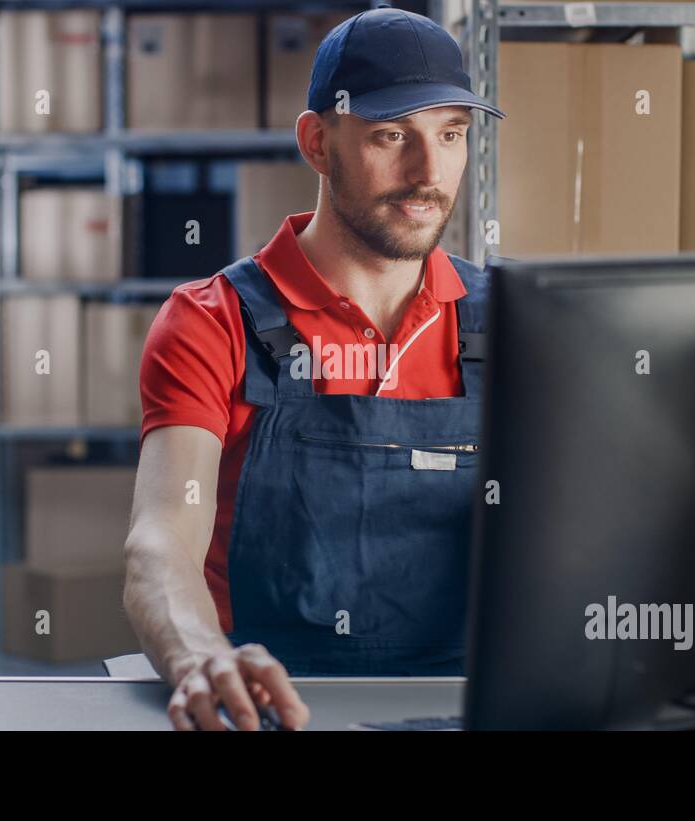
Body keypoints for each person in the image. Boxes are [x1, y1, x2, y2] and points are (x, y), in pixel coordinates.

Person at [122, 6, 506, 731]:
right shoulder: (214, 321)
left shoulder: (514, 324)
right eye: (392, 136)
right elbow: (160, 540)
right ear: (318, 142)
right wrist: (200, 655)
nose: (429, 174)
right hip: (269, 706)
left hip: (463, 706)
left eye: (451, 135)